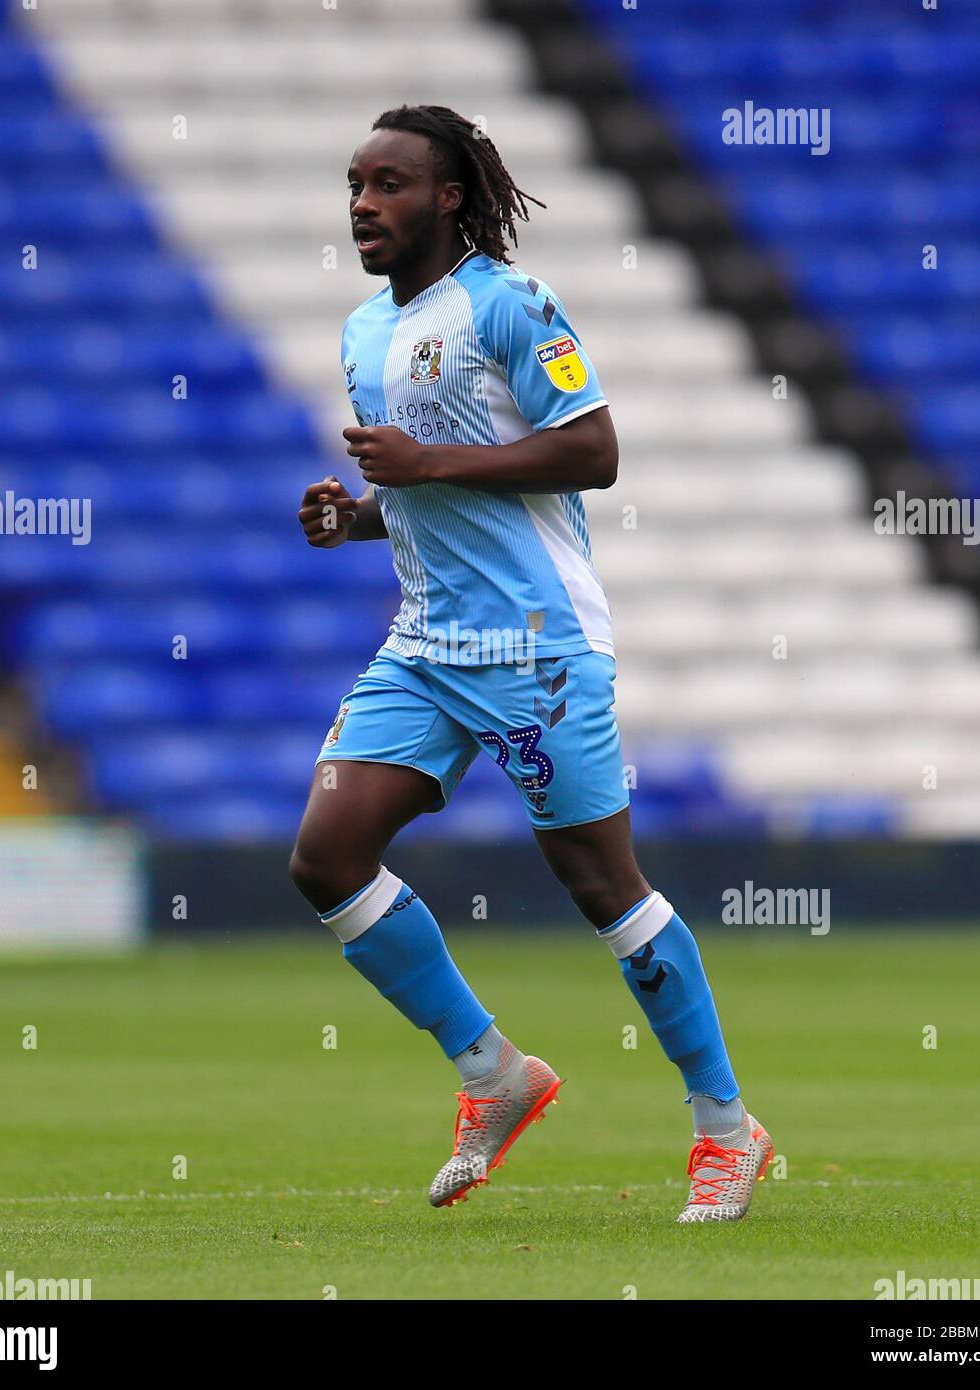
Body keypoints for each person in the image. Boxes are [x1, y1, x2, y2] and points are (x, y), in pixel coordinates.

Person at [291, 104, 772, 1220]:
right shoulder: (366, 328)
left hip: (535, 644)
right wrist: (358, 516)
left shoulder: (515, 305)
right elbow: (429, 492)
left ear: (449, 194)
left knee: (601, 884)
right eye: (355, 183)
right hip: (424, 641)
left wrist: (424, 459)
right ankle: (493, 1073)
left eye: (389, 183)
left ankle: (723, 1126)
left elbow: (592, 450)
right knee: (326, 856)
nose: (363, 203)